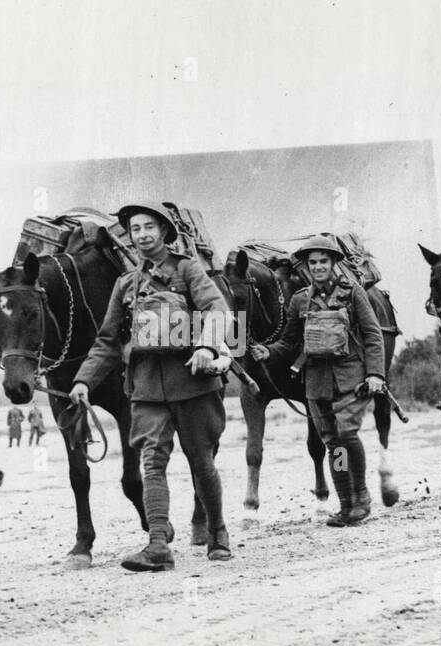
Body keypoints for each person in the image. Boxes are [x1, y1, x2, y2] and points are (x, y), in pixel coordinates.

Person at [69, 201, 232, 570]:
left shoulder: (189, 270)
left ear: (163, 231)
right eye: (135, 230)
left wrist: (207, 344)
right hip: (145, 387)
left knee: (201, 462)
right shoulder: (126, 284)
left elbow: (217, 310)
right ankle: (158, 544)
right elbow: (108, 341)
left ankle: (217, 532)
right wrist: (84, 381)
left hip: (192, 382)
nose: (142, 236)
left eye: (148, 227)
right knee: (152, 463)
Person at [253, 236, 385, 525]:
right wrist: (268, 351)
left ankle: (361, 497)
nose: (318, 267)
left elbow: (373, 335)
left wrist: (375, 373)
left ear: (334, 263)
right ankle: (346, 503)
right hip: (316, 382)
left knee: (347, 435)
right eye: (313, 262)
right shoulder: (300, 299)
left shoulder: (353, 293)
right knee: (332, 443)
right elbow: (288, 343)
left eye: (323, 261)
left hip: (351, 379)